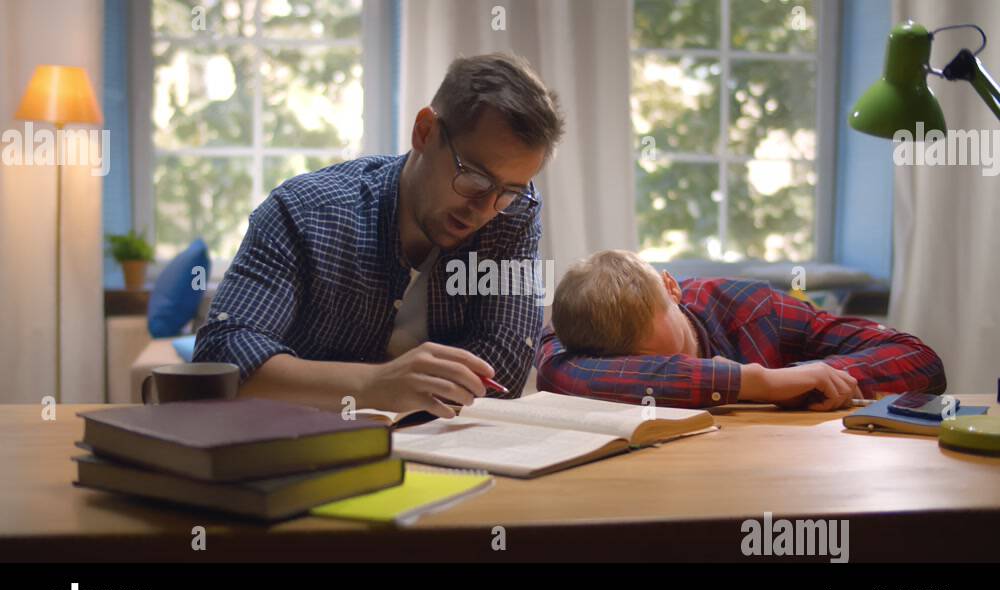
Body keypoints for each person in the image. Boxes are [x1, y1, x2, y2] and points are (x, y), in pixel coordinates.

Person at [194, 53, 565, 418]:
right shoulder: (305, 211)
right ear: (424, 131)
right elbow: (222, 356)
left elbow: (506, 364)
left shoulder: (513, 216)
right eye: (475, 178)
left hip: (436, 451)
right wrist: (373, 385)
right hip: (299, 449)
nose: (485, 209)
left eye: (509, 190)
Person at [535, 250, 946, 410]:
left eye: (679, 351)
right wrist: (761, 383)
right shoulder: (577, 327)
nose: (677, 369)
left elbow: (918, 359)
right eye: (653, 367)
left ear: (672, 287)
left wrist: (817, 377)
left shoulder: (755, 310)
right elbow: (554, 373)